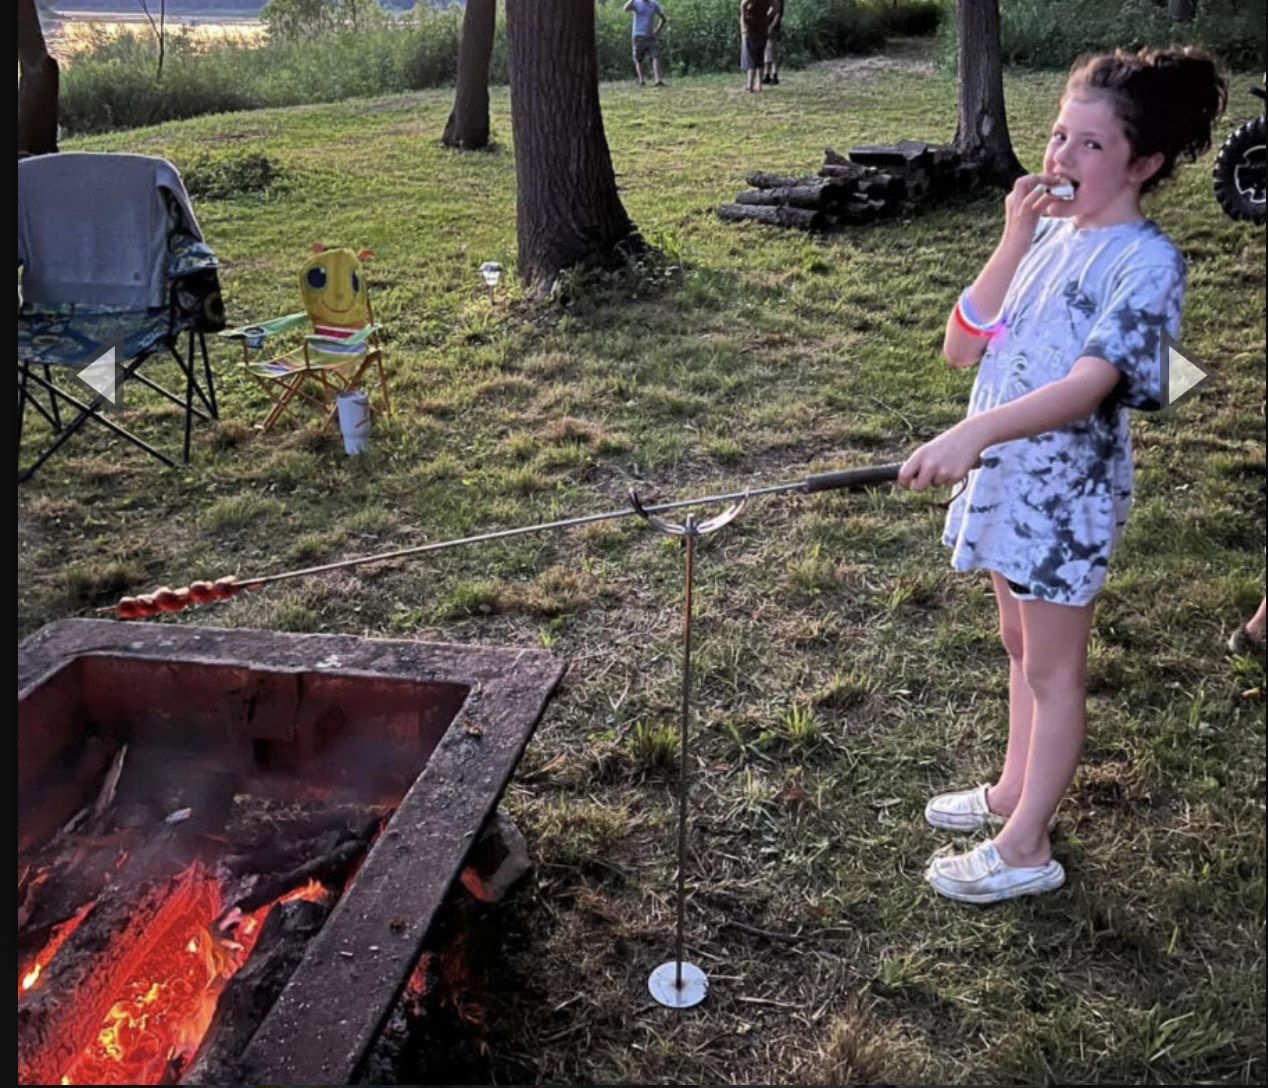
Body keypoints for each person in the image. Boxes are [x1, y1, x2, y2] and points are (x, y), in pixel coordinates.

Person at [897, 47, 1227, 904]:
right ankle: (1011, 793)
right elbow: (962, 344)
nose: (1060, 159)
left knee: (1054, 671)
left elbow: (1090, 385)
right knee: (1017, 645)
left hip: (1062, 498)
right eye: (1057, 136)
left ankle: (1027, 844)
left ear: (1143, 163)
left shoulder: (1146, 263)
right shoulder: (1043, 236)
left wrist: (972, 432)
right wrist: (1012, 236)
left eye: (1089, 146)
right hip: (1008, 481)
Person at [625, 0, 668, 87]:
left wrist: (657, 30)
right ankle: (641, 81)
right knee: (639, 58)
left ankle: (658, 80)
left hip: (650, 35)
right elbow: (625, 9)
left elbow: (663, 18)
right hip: (638, 35)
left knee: (655, 56)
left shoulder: (654, 4)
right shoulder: (636, 3)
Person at [740, 1, 769, 94]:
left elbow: (743, 4)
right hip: (762, 28)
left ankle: (750, 85)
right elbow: (776, 6)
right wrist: (766, 16)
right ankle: (759, 84)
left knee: (751, 56)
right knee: (760, 56)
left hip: (752, 28)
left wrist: (744, 19)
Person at [763, 0, 783, 85]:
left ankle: (774, 76)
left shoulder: (778, 2)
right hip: (768, 26)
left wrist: (772, 27)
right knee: (768, 51)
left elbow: (778, 13)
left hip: (771, 27)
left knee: (771, 51)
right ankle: (768, 75)